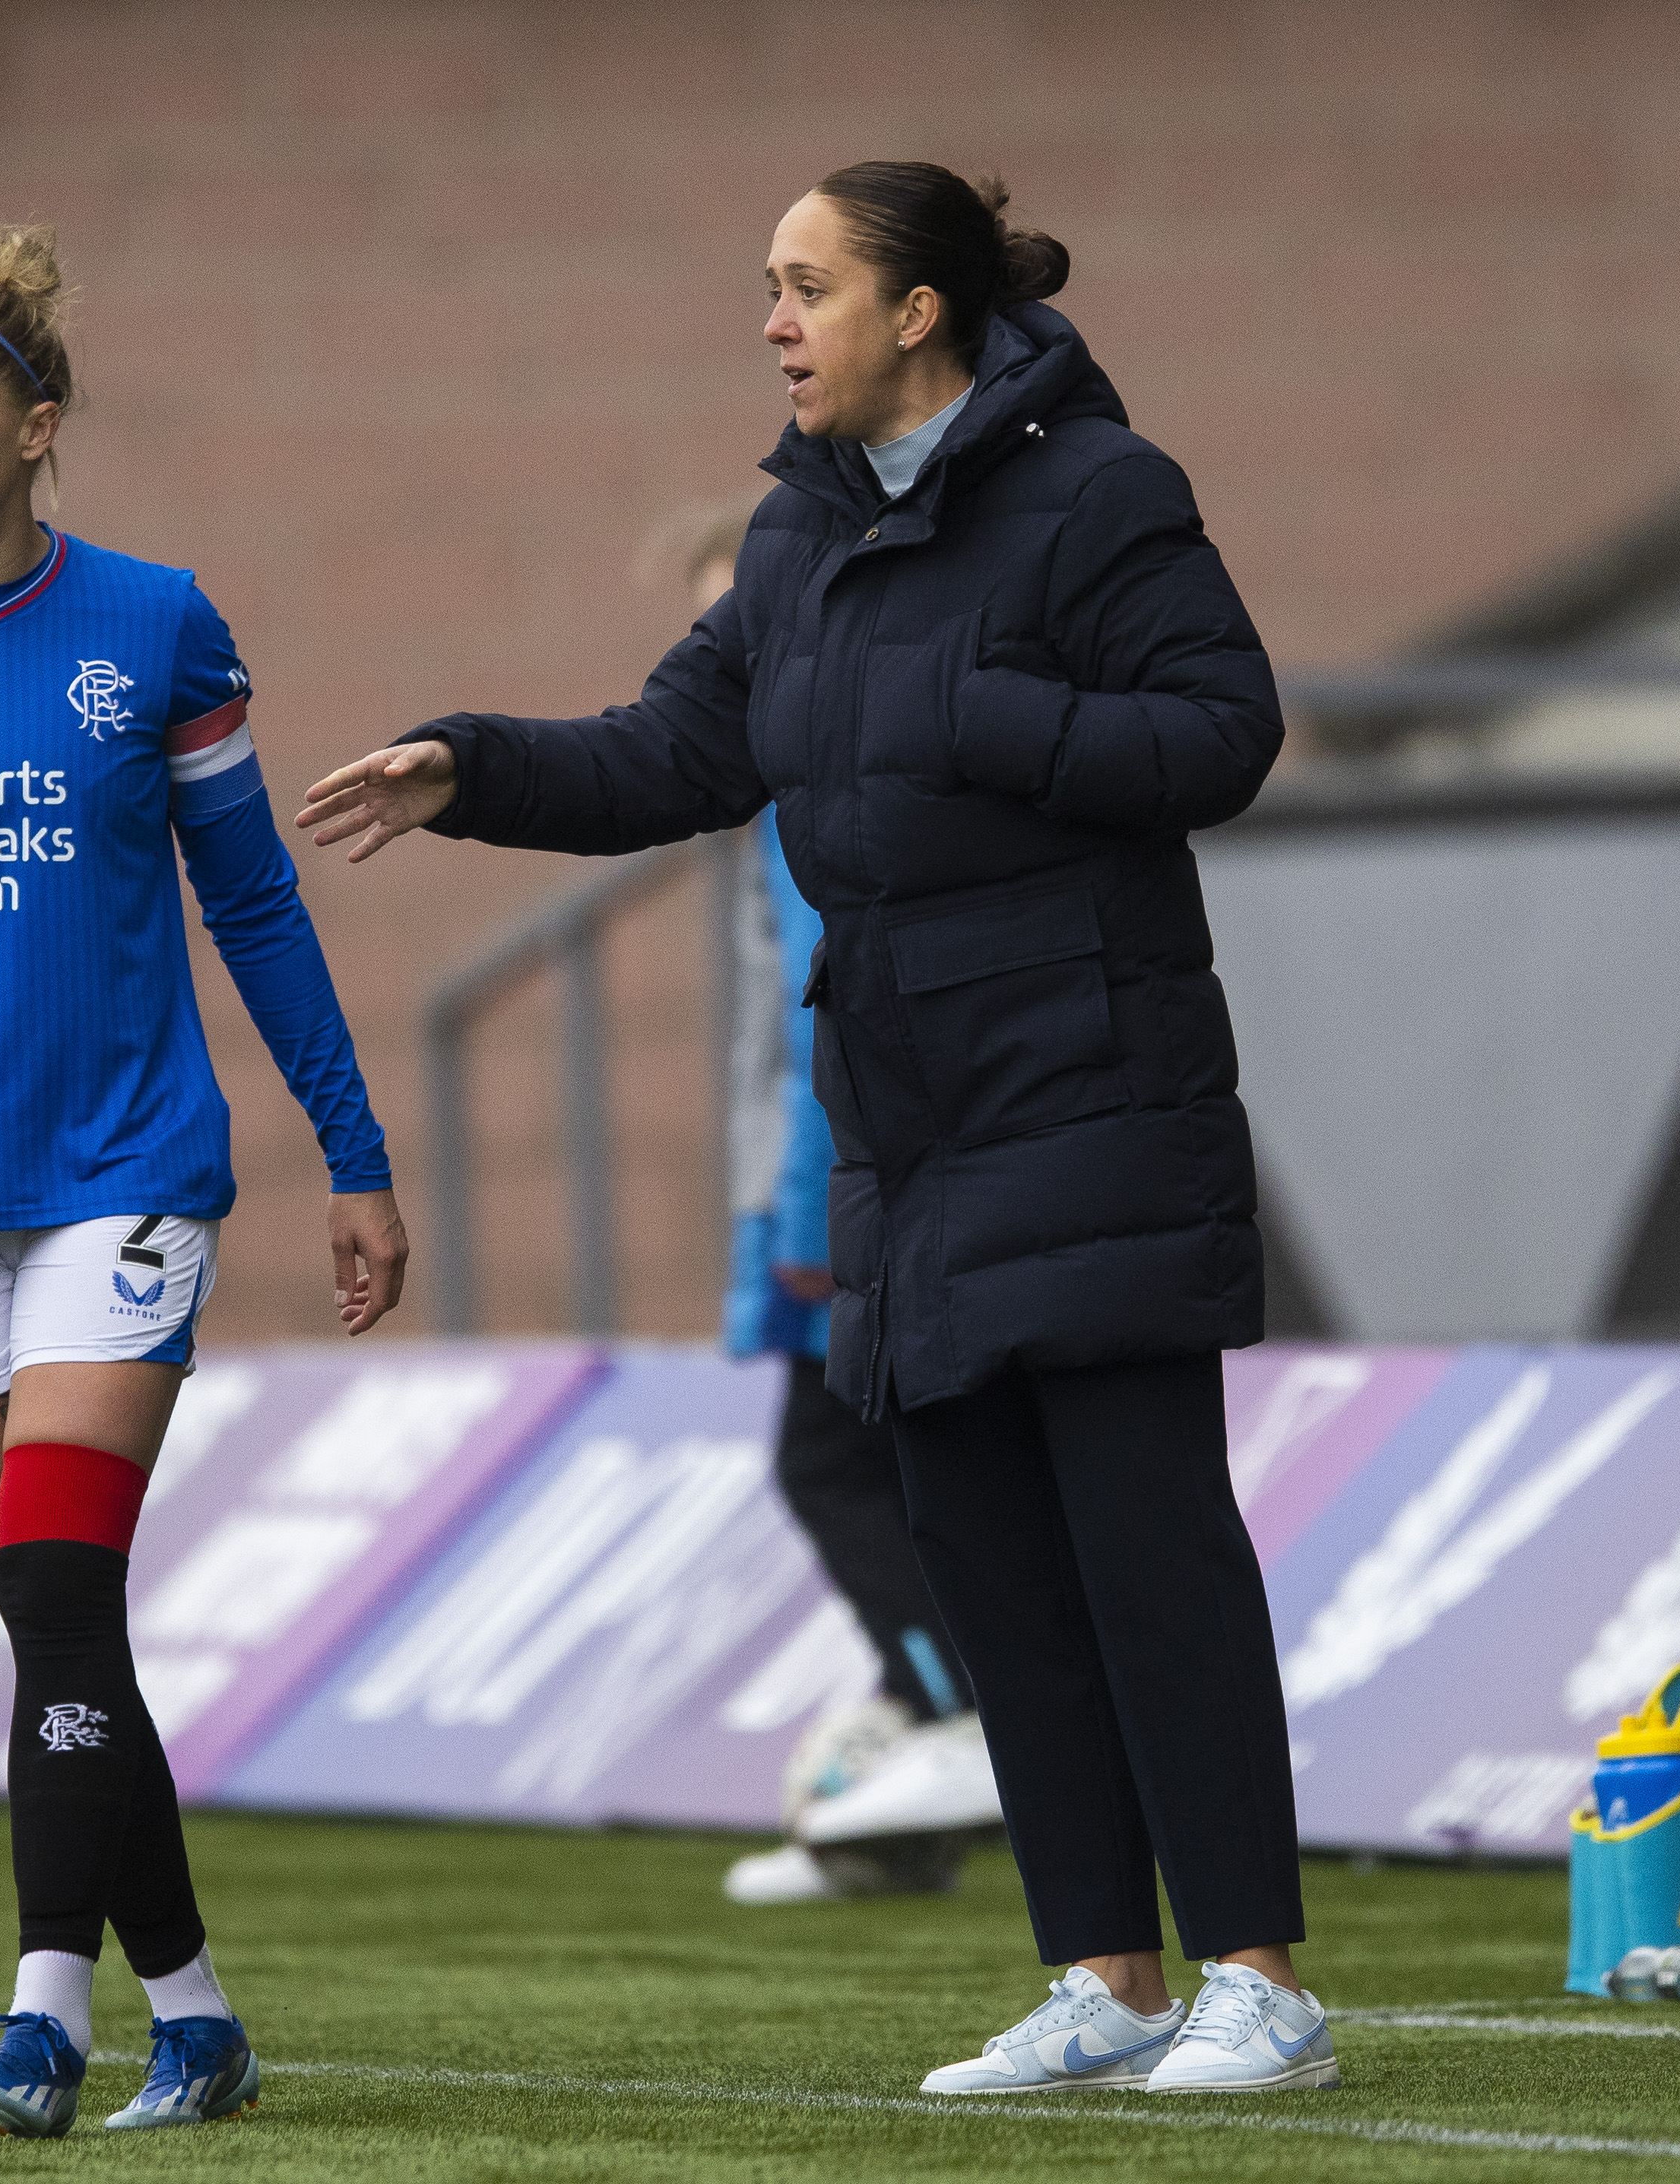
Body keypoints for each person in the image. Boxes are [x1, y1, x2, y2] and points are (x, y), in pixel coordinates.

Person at [296, 162, 1334, 2096]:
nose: (771, 323)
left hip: (1093, 1094)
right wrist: (476, 767)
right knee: (998, 1576)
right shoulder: (796, 540)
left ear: (917, 311)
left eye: (804, 286)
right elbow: (674, 753)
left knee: (1148, 1559)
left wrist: (987, 714)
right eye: (765, 290)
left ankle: (1258, 1983)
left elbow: (1223, 734)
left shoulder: (1102, 491)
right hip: (909, 1135)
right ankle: (1108, 1983)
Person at [0, 222, 409, 2138]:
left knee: (54, 1579)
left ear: (40, 427)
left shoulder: (158, 623)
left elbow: (256, 906)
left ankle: (43, 2018)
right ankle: (194, 2013)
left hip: (126, 1177)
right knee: (62, 1634)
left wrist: (352, 1156)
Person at [679, 511, 996, 1910]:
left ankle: (955, 1718)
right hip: (834, 1190)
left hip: (857, 1195)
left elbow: (828, 1009)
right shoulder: (769, 796)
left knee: (835, 1463)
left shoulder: (817, 794)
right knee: (893, 1470)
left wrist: (807, 1216)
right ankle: (900, 1805)